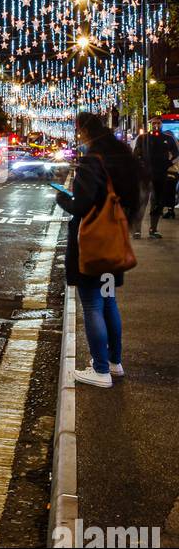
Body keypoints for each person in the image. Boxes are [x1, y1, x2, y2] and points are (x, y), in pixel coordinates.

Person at [56, 112, 145, 388]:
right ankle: (115, 363)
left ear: (83, 130)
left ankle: (100, 369)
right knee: (108, 301)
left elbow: (81, 206)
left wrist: (62, 197)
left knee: (93, 303)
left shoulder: (91, 160)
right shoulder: (120, 159)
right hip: (113, 244)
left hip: (94, 246)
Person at [135, 119, 179, 237]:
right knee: (141, 202)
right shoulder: (142, 138)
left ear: (161, 124)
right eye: (153, 123)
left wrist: (168, 164)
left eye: (158, 123)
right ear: (150, 124)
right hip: (145, 176)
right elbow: (136, 154)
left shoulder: (168, 138)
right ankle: (137, 230)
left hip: (160, 176)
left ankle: (153, 229)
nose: (156, 125)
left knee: (157, 203)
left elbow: (176, 154)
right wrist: (140, 165)